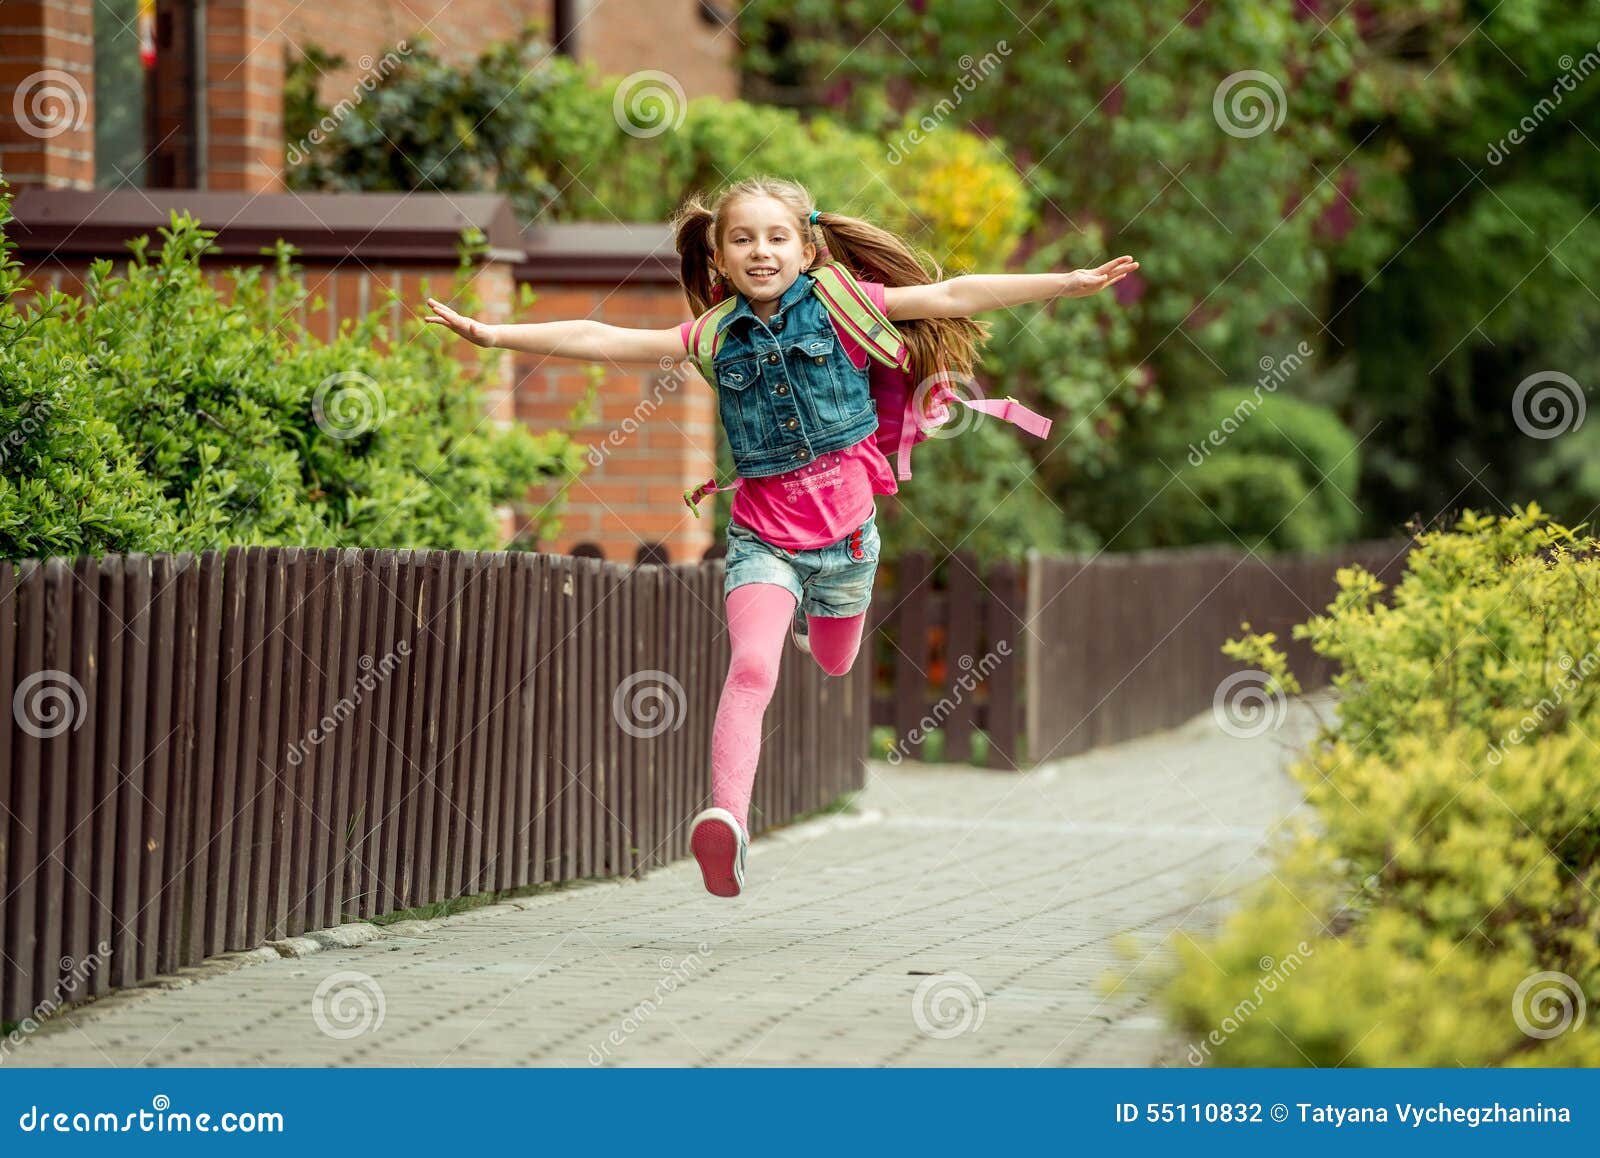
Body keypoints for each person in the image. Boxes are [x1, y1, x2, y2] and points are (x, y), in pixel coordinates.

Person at [424, 175, 1137, 899]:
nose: (759, 251)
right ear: (720, 256)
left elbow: (955, 295)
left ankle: (814, 629)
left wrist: (1067, 282)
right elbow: (601, 336)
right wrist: (494, 333)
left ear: (807, 247)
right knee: (752, 669)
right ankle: (726, 822)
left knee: (833, 660)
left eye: (775, 237)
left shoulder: (845, 303)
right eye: (741, 239)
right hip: (764, 541)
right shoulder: (709, 334)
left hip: (849, 542)